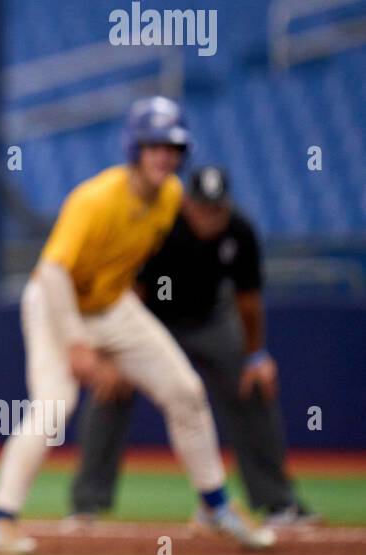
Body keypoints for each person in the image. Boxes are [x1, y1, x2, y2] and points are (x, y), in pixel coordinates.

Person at [0, 97, 276, 555]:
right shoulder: (96, 198)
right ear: (135, 149)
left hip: (112, 304)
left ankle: (214, 505)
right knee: (54, 407)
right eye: (154, 145)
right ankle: (1, 522)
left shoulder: (174, 196)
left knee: (185, 391)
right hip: (56, 304)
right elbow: (55, 272)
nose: (164, 156)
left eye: (172, 147)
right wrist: (78, 344)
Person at [69, 165, 318, 527]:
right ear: (187, 203)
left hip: (211, 320)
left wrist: (256, 355)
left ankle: (278, 502)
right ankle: (86, 506)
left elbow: (247, 301)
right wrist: (110, 354)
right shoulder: (162, 227)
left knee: (251, 385)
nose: (209, 217)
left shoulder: (239, 231)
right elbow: (129, 289)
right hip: (149, 321)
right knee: (111, 390)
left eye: (216, 209)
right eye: (202, 208)